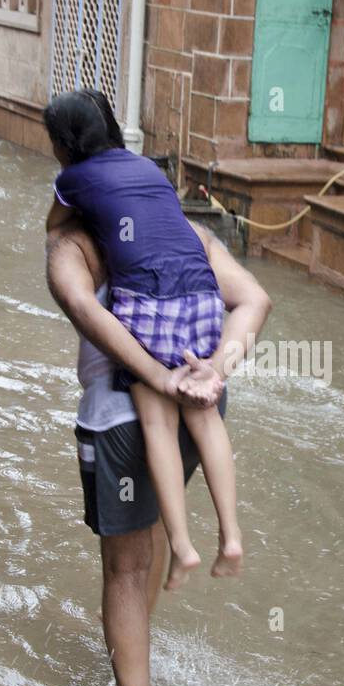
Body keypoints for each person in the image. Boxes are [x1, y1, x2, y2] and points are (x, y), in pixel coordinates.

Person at [45, 201, 271, 686]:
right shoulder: (187, 230)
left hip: (121, 414)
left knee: (126, 568)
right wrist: (216, 369)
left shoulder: (79, 237)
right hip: (201, 390)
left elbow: (78, 299)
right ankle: (221, 540)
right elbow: (256, 300)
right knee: (159, 519)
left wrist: (152, 372)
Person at [43, 89, 243, 592]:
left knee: (158, 422)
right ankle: (232, 537)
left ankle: (182, 547)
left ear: (63, 146)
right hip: (201, 298)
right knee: (204, 418)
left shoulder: (72, 178)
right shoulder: (151, 169)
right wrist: (215, 367)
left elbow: (54, 228)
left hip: (150, 306)